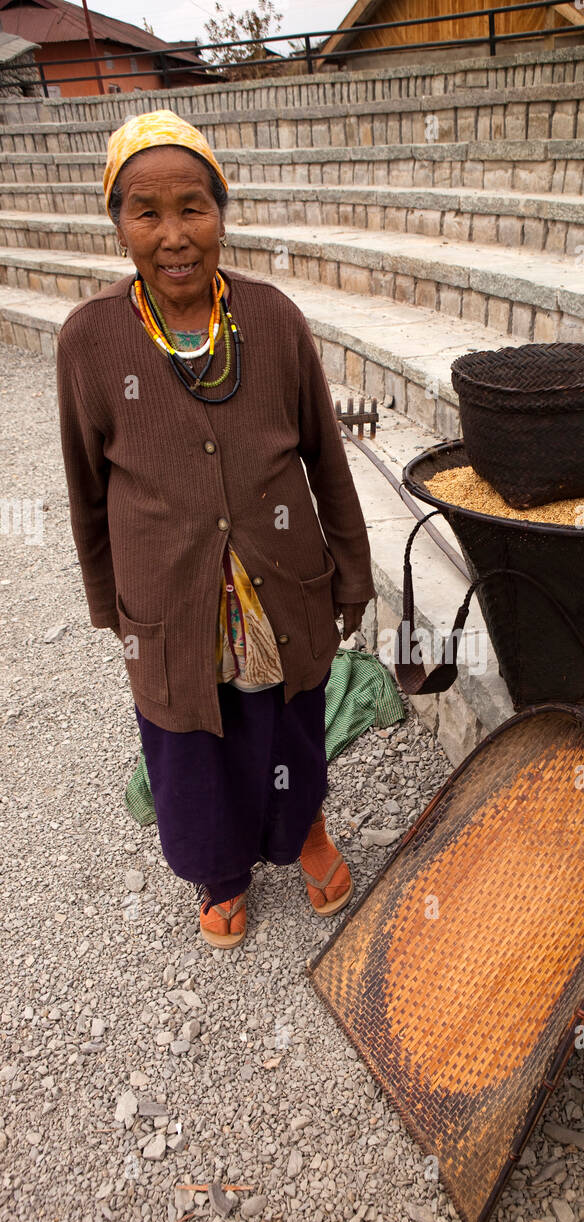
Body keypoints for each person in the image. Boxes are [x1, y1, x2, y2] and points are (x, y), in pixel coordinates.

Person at [56, 110, 376, 949]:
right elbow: (87, 492)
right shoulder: (90, 341)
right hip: (168, 596)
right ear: (117, 222)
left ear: (222, 213)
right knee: (192, 744)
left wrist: (352, 569)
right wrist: (110, 607)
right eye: (145, 211)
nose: (173, 235)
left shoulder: (271, 320)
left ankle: (302, 831)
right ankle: (222, 873)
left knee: (290, 719)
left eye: (193, 207)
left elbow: (326, 459)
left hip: (283, 579)